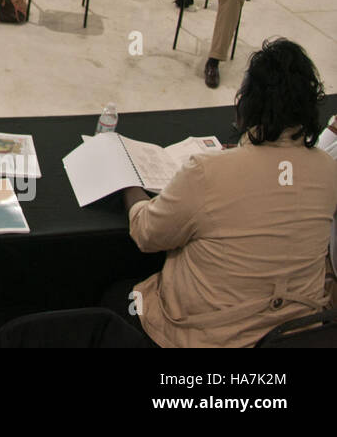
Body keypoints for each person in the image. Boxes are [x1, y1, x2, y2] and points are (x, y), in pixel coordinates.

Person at [113, 39, 337, 347]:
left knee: (117, 300)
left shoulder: (207, 172)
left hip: (211, 337)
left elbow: (147, 233)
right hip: (296, 334)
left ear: (247, 101)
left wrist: (127, 181)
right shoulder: (328, 170)